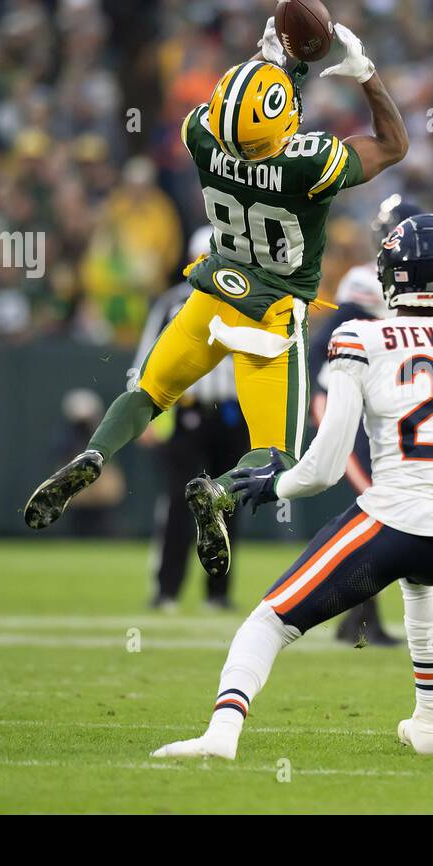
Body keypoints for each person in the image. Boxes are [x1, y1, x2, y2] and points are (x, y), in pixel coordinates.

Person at [23, 17, 408, 585]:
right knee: (275, 453)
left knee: (148, 393)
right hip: (273, 314)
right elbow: (393, 145)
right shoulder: (307, 163)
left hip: (212, 292)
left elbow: (245, 113)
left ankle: (97, 453)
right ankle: (221, 491)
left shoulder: (200, 135)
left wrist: (279, 64)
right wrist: (365, 74)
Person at [151, 214, 433, 761]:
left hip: (396, 525)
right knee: (423, 583)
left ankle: (222, 734)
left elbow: (324, 470)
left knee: (267, 622)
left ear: (391, 275)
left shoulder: (363, 337)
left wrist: (272, 484)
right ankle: (432, 724)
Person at [302, 195, 425, 645]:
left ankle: (356, 620)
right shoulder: (365, 280)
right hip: (339, 398)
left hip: (377, 408)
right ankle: (357, 618)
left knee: (382, 507)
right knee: (379, 504)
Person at [134, 253, 248, 610]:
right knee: (180, 504)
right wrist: (144, 410)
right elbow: (146, 358)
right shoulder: (173, 302)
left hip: (232, 413)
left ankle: (218, 593)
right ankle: (167, 589)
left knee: (227, 504)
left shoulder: (249, 298)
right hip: (188, 413)